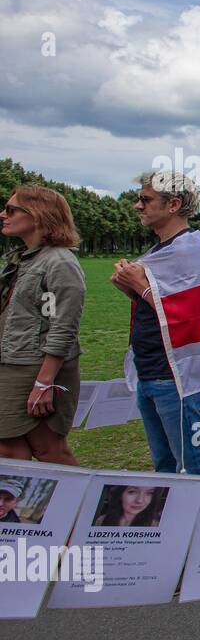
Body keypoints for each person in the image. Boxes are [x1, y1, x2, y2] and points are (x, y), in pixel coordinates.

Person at [110, 171, 200, 476]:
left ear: (173, 204)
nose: (137, 205)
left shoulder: (189, 250)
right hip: (149, 371)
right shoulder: (159, 253)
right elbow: (160, 308)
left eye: (145, 199)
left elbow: (191, 317)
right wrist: (132, 286)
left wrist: (141, 286)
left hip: (177, 378)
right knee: (164, 467)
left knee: (197, 466)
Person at [0, 185, 86, 465]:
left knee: (50, 449)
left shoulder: (59, 263)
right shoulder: (22, 259)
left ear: (37, 215)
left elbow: (63, 325)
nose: (4, 214)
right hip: (14, 361)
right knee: (10, 449)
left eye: (12, 209)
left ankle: (86, 506)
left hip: (35, 366)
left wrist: (43, 381)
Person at [93, 485, 166, 527]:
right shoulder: (102, 520)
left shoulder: (154, 525)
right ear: (120, 493)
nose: (140, 500)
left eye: (149, 493)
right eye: (132, 492)